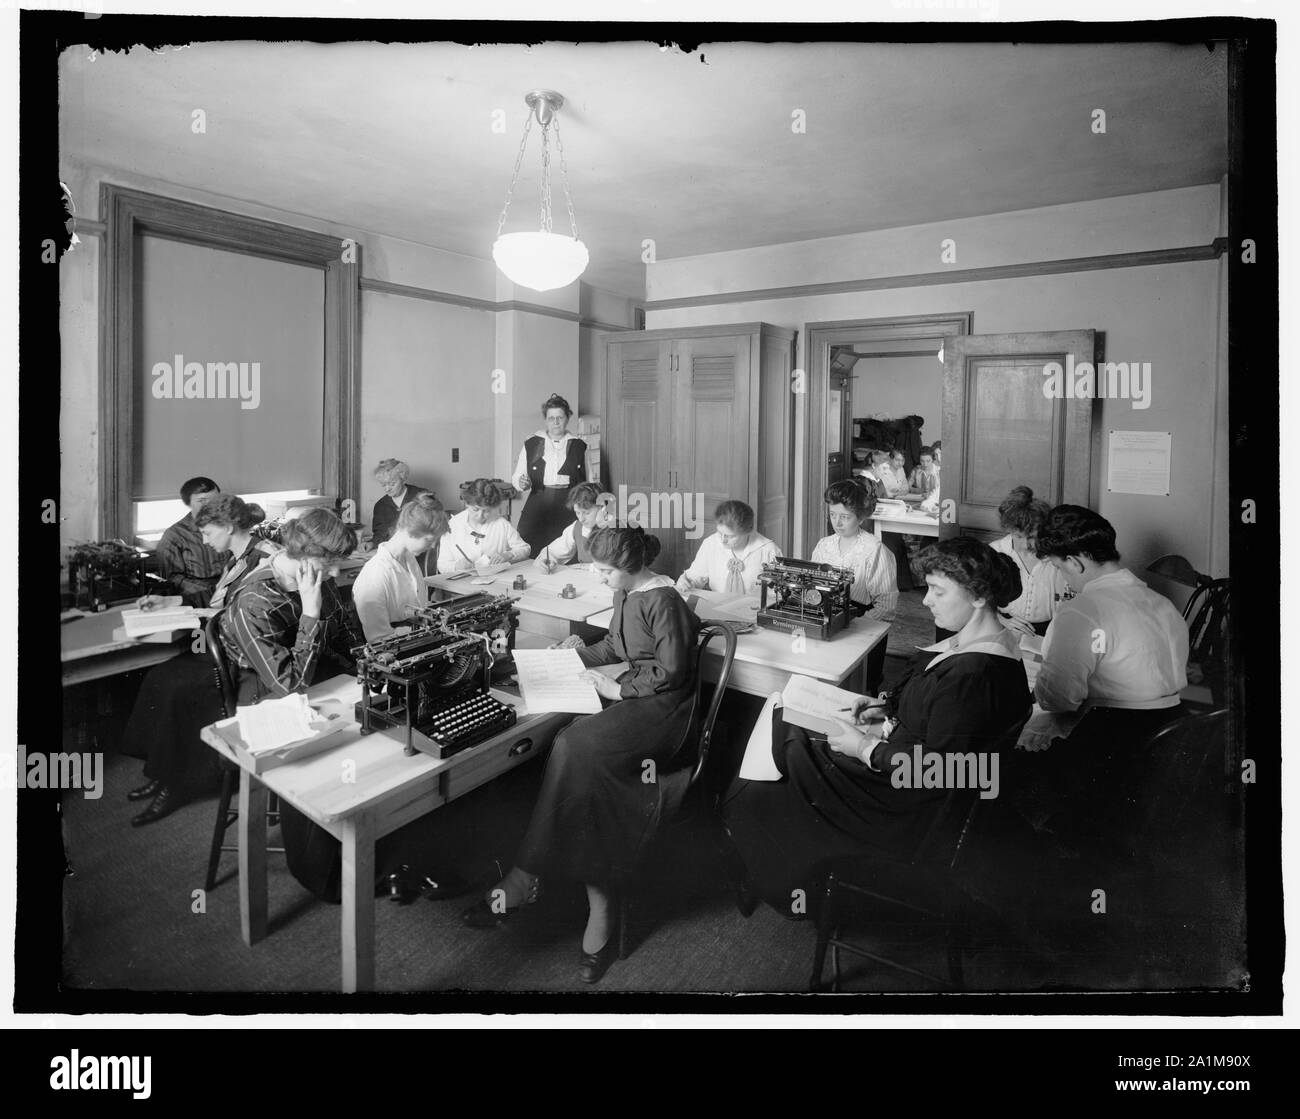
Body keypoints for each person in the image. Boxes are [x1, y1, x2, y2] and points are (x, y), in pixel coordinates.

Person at [723, 537, 1030, 915]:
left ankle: (769, 867)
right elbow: (938, 716)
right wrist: (885, 711)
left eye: (937, 590)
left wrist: (866, 749)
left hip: (905, 805)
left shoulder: (975, 675)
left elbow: (950, 771)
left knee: (778, 755)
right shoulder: (981, 645)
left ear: (980, 597)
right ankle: (766, 855)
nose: (926, 600)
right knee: (783, 728)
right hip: (902, 776)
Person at [462, 526, 702, 985]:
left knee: (575, 744)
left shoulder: (663, 599)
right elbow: (617, 646)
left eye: (605, 569)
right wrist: (573, 658)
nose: (597, 573)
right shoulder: (625, 594)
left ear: (631, 567)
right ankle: (577, 888)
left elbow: (673, 671)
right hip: (638, 697)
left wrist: (616, 686)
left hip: (667, 710)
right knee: (570, 742)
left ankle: (537, 880)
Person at [219, 509, 366, 900]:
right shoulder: (252, 602)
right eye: (330, 564)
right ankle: (325, 875)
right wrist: (311, 611)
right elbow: (289, 686)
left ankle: (371, 852)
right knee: (334, 754)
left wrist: (375, 670)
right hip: (266, 701)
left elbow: (350, 642)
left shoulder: (318, 577)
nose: (336, 574)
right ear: (303, 554)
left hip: (320, 682)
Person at [1021, 507, 1190, 843]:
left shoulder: (1084, 609)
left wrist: (1040, 677)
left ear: (1076, 562)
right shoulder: (1163, 604)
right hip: (1171, 738)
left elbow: (1057, 698)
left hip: (1109, 748)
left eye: (1058, 567)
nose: (1064, 579)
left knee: (1006, 753)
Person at [123, 494, 276, 826]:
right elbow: (218, 597)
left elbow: (246, 613)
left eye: (208, 533)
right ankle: (161, 773)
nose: (205, 540)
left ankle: (174, 785)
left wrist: (204, 613)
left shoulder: (264, 559)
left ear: (229, 526)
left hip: (245, 657)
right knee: (159, 677)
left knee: (180, 690)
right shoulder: (238, 556)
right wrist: (171, 603)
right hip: (220, 645)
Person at [809, 478, 898, 694]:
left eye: (845, 517)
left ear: (860, 517)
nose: (837, 523)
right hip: (828, 616)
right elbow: (813, 585)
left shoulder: (874, 550)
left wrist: (852, 626)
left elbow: (886, 606)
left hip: (862, 621)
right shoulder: (824, 545)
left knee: (859, 686)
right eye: (833, 515)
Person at [352, 493, 448, 642]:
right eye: (429, 539)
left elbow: (418, 608)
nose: (434, 545)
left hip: (416, 639)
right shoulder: (375, 576)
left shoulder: (409, 560)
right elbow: (378, 639)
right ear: (409, 532)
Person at [988, 486, 1070, 637]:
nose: (1026, 544)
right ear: (1009, 529)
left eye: (1032, 536)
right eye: (1019, 536)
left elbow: (1066, 600)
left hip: (1049, 631)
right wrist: (1001, 619)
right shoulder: (995, 551)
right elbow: (979, 596)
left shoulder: (1054, 557)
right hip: (1004, 626)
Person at [513, 393, 588, 557]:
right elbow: (518, 477)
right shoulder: (532, 443)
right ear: (546, 420)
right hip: (539, 500)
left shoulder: (579, 445)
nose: (555, 422)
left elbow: (589, 481)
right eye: (551, 418)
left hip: (568, 503)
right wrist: (522, 482)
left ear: (567, 418)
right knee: (528, 546)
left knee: (566, 549)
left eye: (560, 418)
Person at [675, 500, 782, 596]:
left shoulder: (769, 551)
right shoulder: (711, 544)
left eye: (730, 536)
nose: (723, 540)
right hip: (716, 608)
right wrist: (685, 581)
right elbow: (695, 577)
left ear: (748, 531)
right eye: (720, 532)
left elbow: (777, 593)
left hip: (755, 611)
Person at [152, 476, 226, 606]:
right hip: (196, 599)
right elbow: (172, 578)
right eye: (201, 500)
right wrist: (213, 593)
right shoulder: (174, 535)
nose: (209, 505)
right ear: (188, 503)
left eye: (214, 500)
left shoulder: (228, 527)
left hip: (230, 591)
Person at [436, 478, 530, 573]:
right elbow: (442, 564)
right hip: (461, 581)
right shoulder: (453, 525)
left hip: (494, 581)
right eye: (475, 510)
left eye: (486, 511)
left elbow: (525, 549)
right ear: (467, 504)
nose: (480, 516)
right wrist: (456, 566)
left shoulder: (501, 524)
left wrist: (508, 555)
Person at [534, 481, 612, 571]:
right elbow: (551, 552)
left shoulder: (616, 528)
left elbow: (623, 567)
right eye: (578, 512)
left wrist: (590, 567)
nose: (581, 519)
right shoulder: (577, 527)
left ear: (602, 507)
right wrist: (546, 560)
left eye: (587, 513)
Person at [370, 458, 432, 547]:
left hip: (422, 551)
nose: (387, 489)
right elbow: (379, 534)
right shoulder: (380, 505)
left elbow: (434, 527)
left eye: (392, 484)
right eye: (383, 485)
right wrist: (372, 543)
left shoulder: (422, 496)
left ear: (403, 479)